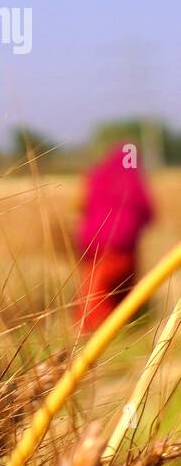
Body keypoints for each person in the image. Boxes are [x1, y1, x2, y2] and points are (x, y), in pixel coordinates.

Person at [73, 143, 155, 335]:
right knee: (122, 288)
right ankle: (119, 328)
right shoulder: (134, 180)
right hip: (123, 247)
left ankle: (92, 332)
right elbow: (149, 212)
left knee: (94, 290)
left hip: (92, 246)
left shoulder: (96, 176)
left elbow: (81, 205)